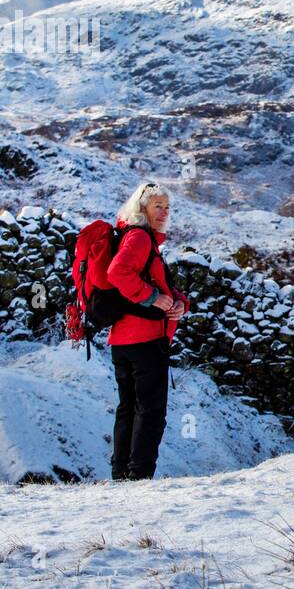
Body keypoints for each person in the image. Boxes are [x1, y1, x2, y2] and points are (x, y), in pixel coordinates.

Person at [106, 181, 187, 481]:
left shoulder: (138, 237)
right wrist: (152, 299)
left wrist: (178, 304)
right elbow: (117, 272)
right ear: (142, 207)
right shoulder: (140, 238)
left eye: (167, 207)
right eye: (158, 206)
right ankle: (138, 476)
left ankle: (122, 474)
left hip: (123, 339)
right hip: (145, 339)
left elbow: (161, 286)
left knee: (129, 407)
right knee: (150, 411)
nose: (164, 212)